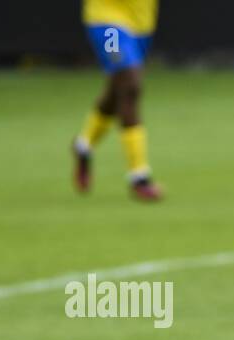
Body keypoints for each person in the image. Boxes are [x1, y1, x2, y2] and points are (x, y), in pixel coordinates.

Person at [71, 0, 162, 200]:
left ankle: (83, 145)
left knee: (118, 89)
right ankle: (139, 177)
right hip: (106, 21)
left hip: (141, 24)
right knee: (130, 84)